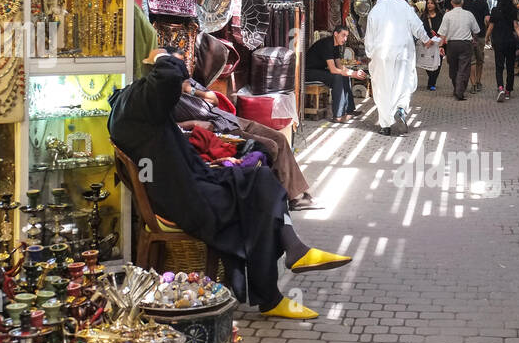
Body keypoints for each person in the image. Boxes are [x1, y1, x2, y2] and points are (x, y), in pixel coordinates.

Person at [108, 53, 353, 320]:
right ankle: (272, 291)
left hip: (190, 184)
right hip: (186, 200)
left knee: (260, 179)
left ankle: (294, 250)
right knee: (258, 202)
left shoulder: (129, 108)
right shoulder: (140, 106)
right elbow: (169, 75)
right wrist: (165, 57)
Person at [179, 34, 319, 210]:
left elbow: (214, 99)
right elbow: (171, 125)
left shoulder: (189, 84)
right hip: (219, 128)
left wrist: (191, 91)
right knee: (271, 146)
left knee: (280, 139)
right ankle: (283, 198)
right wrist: (193, 123)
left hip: (229, 119)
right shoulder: (167, 98)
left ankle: (295, 194)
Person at [365, 0, 429, 135]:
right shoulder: (402, 5)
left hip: (382, 54)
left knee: (383, 88)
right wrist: (426, 40)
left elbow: (369, 40)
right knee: (403, 82)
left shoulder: (373, 12)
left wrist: (370, 55)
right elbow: (417, 25)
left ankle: (385, 126)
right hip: (403, 52)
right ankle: (401, 108)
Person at [305, 26, 365, 123]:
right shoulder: (327, 44)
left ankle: (349, 110)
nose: (345, 39)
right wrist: (352, 73)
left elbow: (340, 67)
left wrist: (351, 73)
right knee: (337, 77)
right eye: (343, 35)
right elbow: (333, 70)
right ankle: (338, 115)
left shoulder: (336, 46)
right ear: (336, 34)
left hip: (320, 70)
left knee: (345, 76)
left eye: (346, 36)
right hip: (309, 72)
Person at [437, 0, 481, 100]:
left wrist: (440, 46)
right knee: (464, 68)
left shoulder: (447, 15)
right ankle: (460, 90)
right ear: (462, 2)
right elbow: (476, 30)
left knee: (453, 67)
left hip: (451, 45)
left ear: (452, 3)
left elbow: (442, 33)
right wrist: (474, 39)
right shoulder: (469, 14)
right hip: (465, 44)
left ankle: (457, 88)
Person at [485, 0, 519, 102]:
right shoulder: (513, 10)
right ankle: (508, 91)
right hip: (510, 41)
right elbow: (516, 27)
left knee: (499, 66)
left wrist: (486, 38)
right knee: (510, 67)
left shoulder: (495, 10)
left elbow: (491, 27)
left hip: (498, 42)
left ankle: (500, 87)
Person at [462, 0, 490, 93]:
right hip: (480, 34)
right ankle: (478, 82)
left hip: (467, 35)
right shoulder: (484, 3)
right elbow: (487, 19)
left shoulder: (464, 2)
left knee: (471, 60)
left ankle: (472, 84)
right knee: (480, 60)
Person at [420, 0, 445, 90]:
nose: (430, 5)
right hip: (428, 42)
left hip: (439, 43)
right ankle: (432, 80)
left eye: (432, 3)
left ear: (435, 5)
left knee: (438, 63)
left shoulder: (440, 16)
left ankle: (432, 83)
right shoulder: (423, 16)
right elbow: (420, 29)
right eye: (428, 3)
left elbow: (444, 29)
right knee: (428, 62)